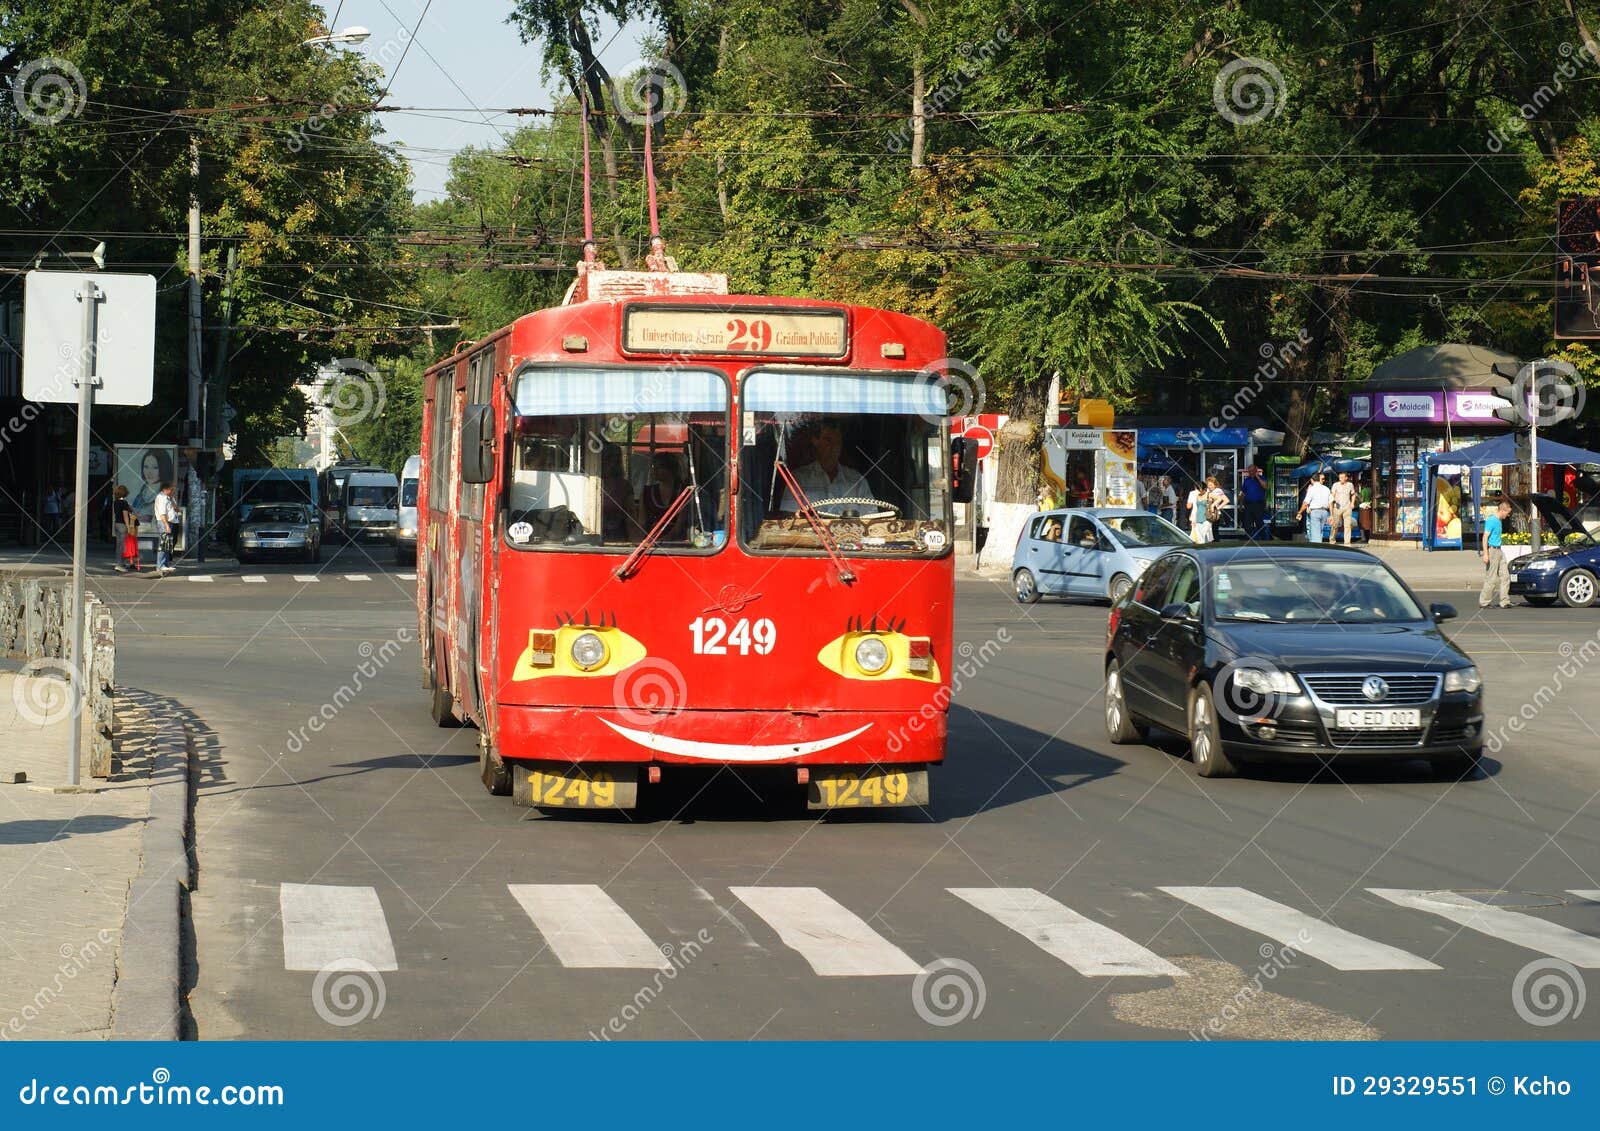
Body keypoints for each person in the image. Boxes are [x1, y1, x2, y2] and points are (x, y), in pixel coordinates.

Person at [780, 420, 871, 511]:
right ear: (816, 441)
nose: (834, 447)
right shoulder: (799, 479)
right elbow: (789, 518)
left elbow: (872, 520)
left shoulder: (857, 481)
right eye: (828, 440)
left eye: (838, 441)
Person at [639, 454, 691, 541]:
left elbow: (679, 525)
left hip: (677, 544)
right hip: (649, 542)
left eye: (659, 467)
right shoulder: (646, 493)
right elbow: (642, 523)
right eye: (653, 467)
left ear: (670, 469)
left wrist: (662, 541)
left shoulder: (683, 491)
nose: (654, 470)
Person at [1480, 499, 1512, 609]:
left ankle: (1504, 601)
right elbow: (1485, 537)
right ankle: (1484, 602)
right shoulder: (1492, 521)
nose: (1508, 515)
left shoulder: (1499, 521)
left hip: (1499, 550)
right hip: (1492, 550)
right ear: (1503, 510)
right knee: (1491, 578)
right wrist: (1485, 554)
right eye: (1507, 513)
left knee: (1505, 576)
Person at [1297, 472, 1333, 543]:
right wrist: (1331, 515)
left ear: (1312, 480)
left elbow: (1305, 503)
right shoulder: (1327, 489)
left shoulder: (1312, 489)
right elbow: (1331, 502)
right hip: (1325, 512)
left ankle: (1316, 550)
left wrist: (1300, 512)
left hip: (1315, 512)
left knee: (1315, 533)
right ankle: (1319, 546)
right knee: (1320, 532)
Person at [153, 481, 179, 575]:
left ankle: (165, 564)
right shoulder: (161, 498)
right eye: (171, 490)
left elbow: (177, 509)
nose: (173, 491)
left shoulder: (169, 498)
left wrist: (172, 500)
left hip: (171, 522)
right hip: (164, 522)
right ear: (165, 489)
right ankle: (160, 565)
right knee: (163, 545)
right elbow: (162, 513)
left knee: (167, 545)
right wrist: (166, 525)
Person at [114, 485, 141, 572]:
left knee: (119, 545)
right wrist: (128, 526)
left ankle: (120, 563)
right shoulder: (124, 503)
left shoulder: (116, 502)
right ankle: (120, 565)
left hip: (117, 524)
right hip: (122, 525)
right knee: (123, 546)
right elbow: (125, 515)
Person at [1239, 465, 1268, 541]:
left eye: (1252, 471)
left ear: (1255, 471)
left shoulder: (1262, 478)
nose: (1250, 472)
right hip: (1248, 504)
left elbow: (1265, 487)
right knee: (1247, 522)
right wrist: (1241, 504)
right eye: (1249, 471)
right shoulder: (1246, 480)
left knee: (1259, 521)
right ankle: (1248, 538)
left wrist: (1257, 477)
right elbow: (1243, 493)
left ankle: (1263, 537)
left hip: (1258, 504)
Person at [1330, 471, 1358, 546]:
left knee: (1347, 525)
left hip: (1347, 507)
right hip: (1337, 507)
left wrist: (1352, 503)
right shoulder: (1335, 485)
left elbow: (1353, 494)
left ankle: (1347, 543)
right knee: (1335, 525)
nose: (1341, 479)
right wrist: (1333, 500)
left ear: (1346, 478)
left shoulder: (1350, 485)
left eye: (1342, 477)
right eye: (1340, 477)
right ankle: (1332, 540)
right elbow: (1332, 495)